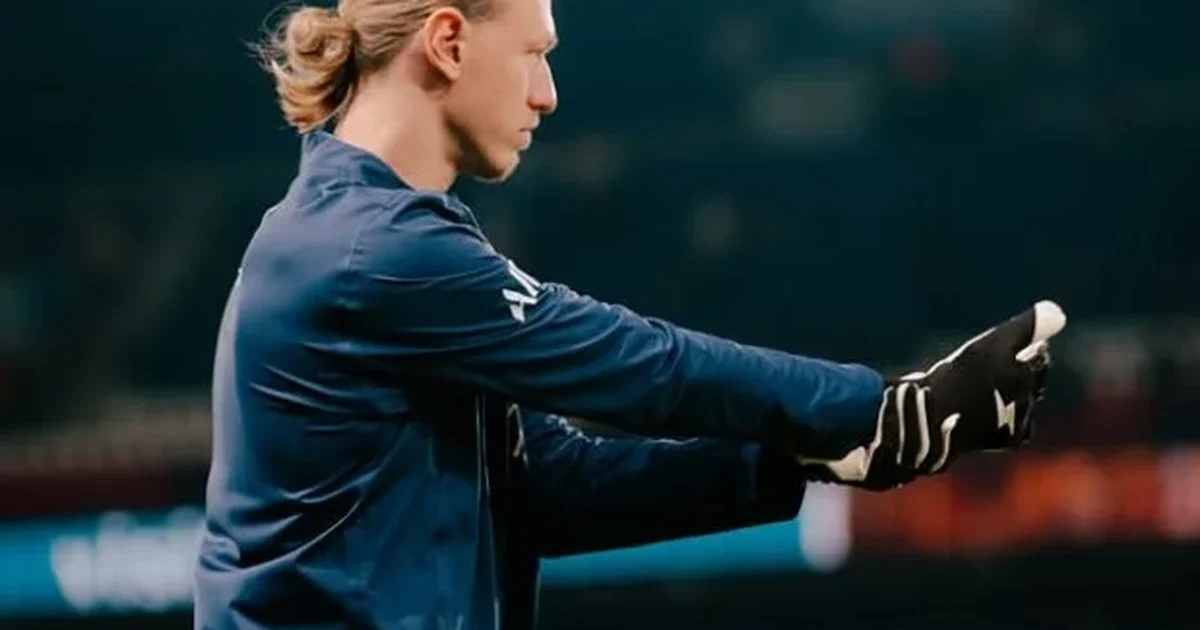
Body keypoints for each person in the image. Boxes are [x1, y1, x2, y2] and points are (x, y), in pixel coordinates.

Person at [193, 0, 1067, 628]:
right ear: (448, 42)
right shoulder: (369, 249)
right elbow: (632, 362)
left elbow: (551, 487)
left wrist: (814, 455)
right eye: (535, 52)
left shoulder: (372, 237)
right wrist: (876, 410)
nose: (547, 95)